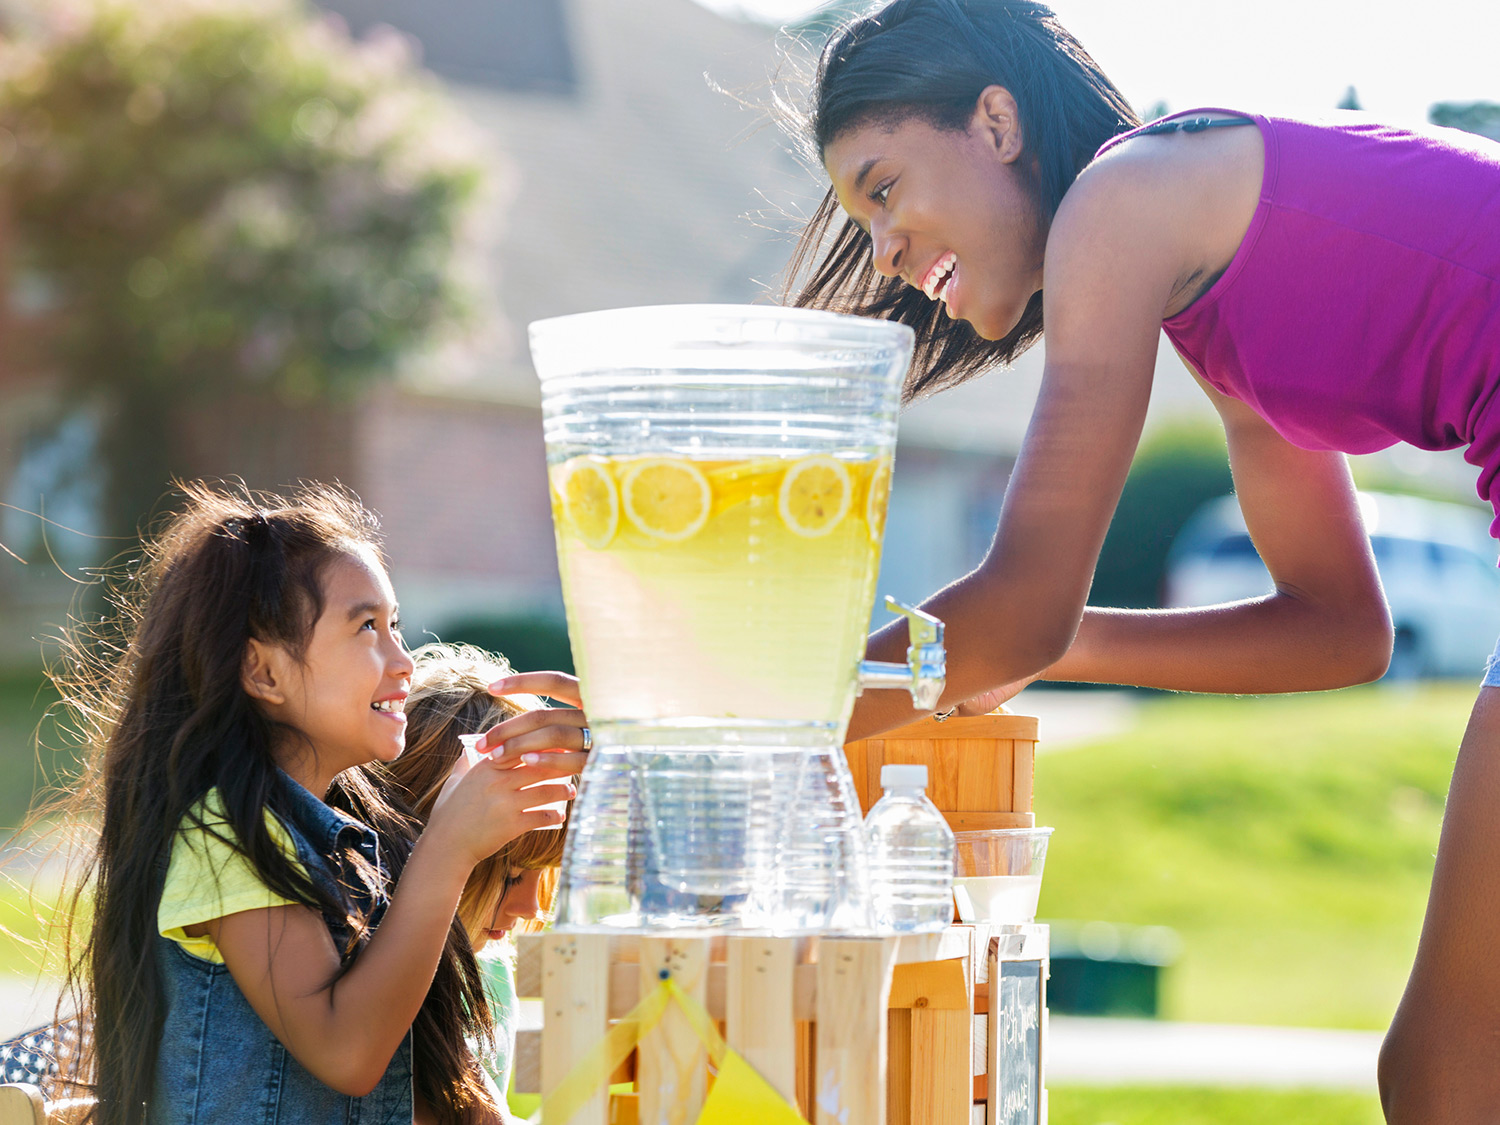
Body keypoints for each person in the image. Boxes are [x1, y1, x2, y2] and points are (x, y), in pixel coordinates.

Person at [787, 1, 1500, 1119]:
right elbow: (1337, 629)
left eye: (883, 189)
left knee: (1451, 1074)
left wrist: (738, 733)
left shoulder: (1124, 199)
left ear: (997, 122)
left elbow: (1019, 600)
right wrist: (1041, 650)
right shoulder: (1213, 282)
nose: (883, 250)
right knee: (1451, 1068)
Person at [43, 482, 585, 1125]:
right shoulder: (227, 836)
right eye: (366, 627)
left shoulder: (354, 845)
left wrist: (622, 750)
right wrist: (450, 847)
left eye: (395, 626)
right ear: (264, 672)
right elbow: (347, 1052)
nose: (403, 661)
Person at [378, 642, 585, 1120]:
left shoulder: (490, 969)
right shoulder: (379, 983)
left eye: (545, 874)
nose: (532, 908)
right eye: (510, 876)